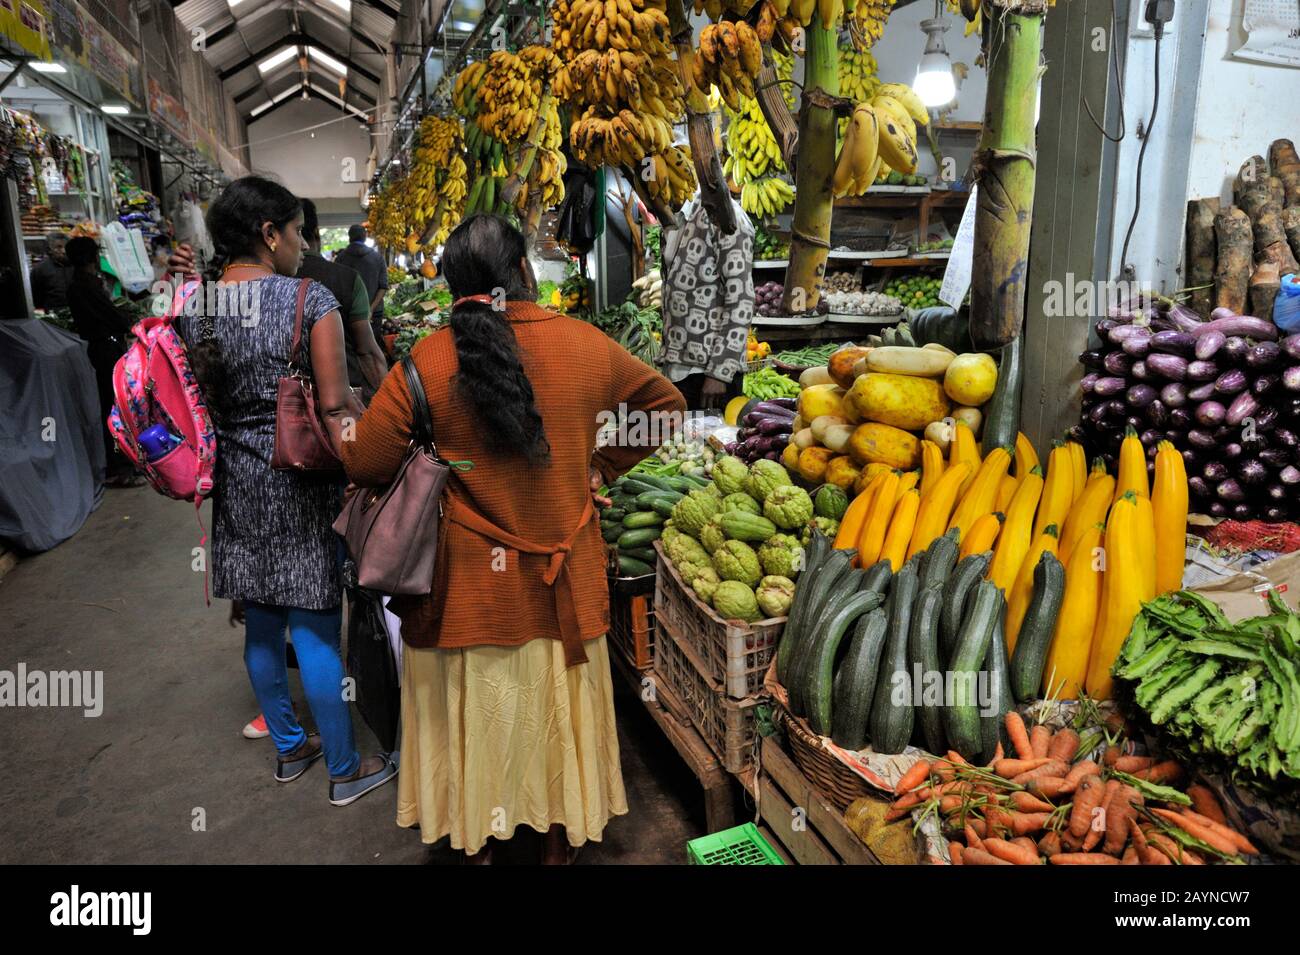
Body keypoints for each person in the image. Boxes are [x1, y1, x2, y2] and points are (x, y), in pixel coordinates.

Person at [343, 214, 685, 863]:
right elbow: (666, 409)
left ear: (449, 284)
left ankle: (478, 843)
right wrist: (600, 463)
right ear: (524, 271)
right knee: (555, 727)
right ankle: (556, 845)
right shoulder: (586, 344)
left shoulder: (427, 359)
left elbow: (363, 462)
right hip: (566, 592)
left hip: (468, 599)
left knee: (481, 729)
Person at [175, 175, 396, 806]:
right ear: (269, 235)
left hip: (236, 487)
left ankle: (291, 749)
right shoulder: (308, 302)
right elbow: (334, 409)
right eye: (296, 233)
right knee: (319, 630)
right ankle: (347, 770)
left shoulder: (197, 307)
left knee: (263, 627)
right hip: (299, 486)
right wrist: (375, 458)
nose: (302, 246)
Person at [64, 236, 144, 488]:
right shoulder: (86, 286)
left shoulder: (79, 285)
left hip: (101, 349)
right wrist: (133, 326)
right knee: (116, 408)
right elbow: (112, 316)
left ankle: (122, 464)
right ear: (92, 258)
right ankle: (120, 468)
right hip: (106, 350)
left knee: (113, 407)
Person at [332, 224, 388, 345]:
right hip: (374, 315)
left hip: (349, 315)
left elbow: (336, 288)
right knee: (373, 347)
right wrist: (370, 309)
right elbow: (383, 287)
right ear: (365, 237)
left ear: (349, 237)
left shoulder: (340, 259)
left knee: (353, 349)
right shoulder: (377, 258)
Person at [31, 231, 71, 309]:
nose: (64, 251)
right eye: (59, 247)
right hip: (52, 316)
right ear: (49, 249)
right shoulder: (40, 269)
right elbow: (36, 297)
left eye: (66, 247)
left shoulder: (75, 266)